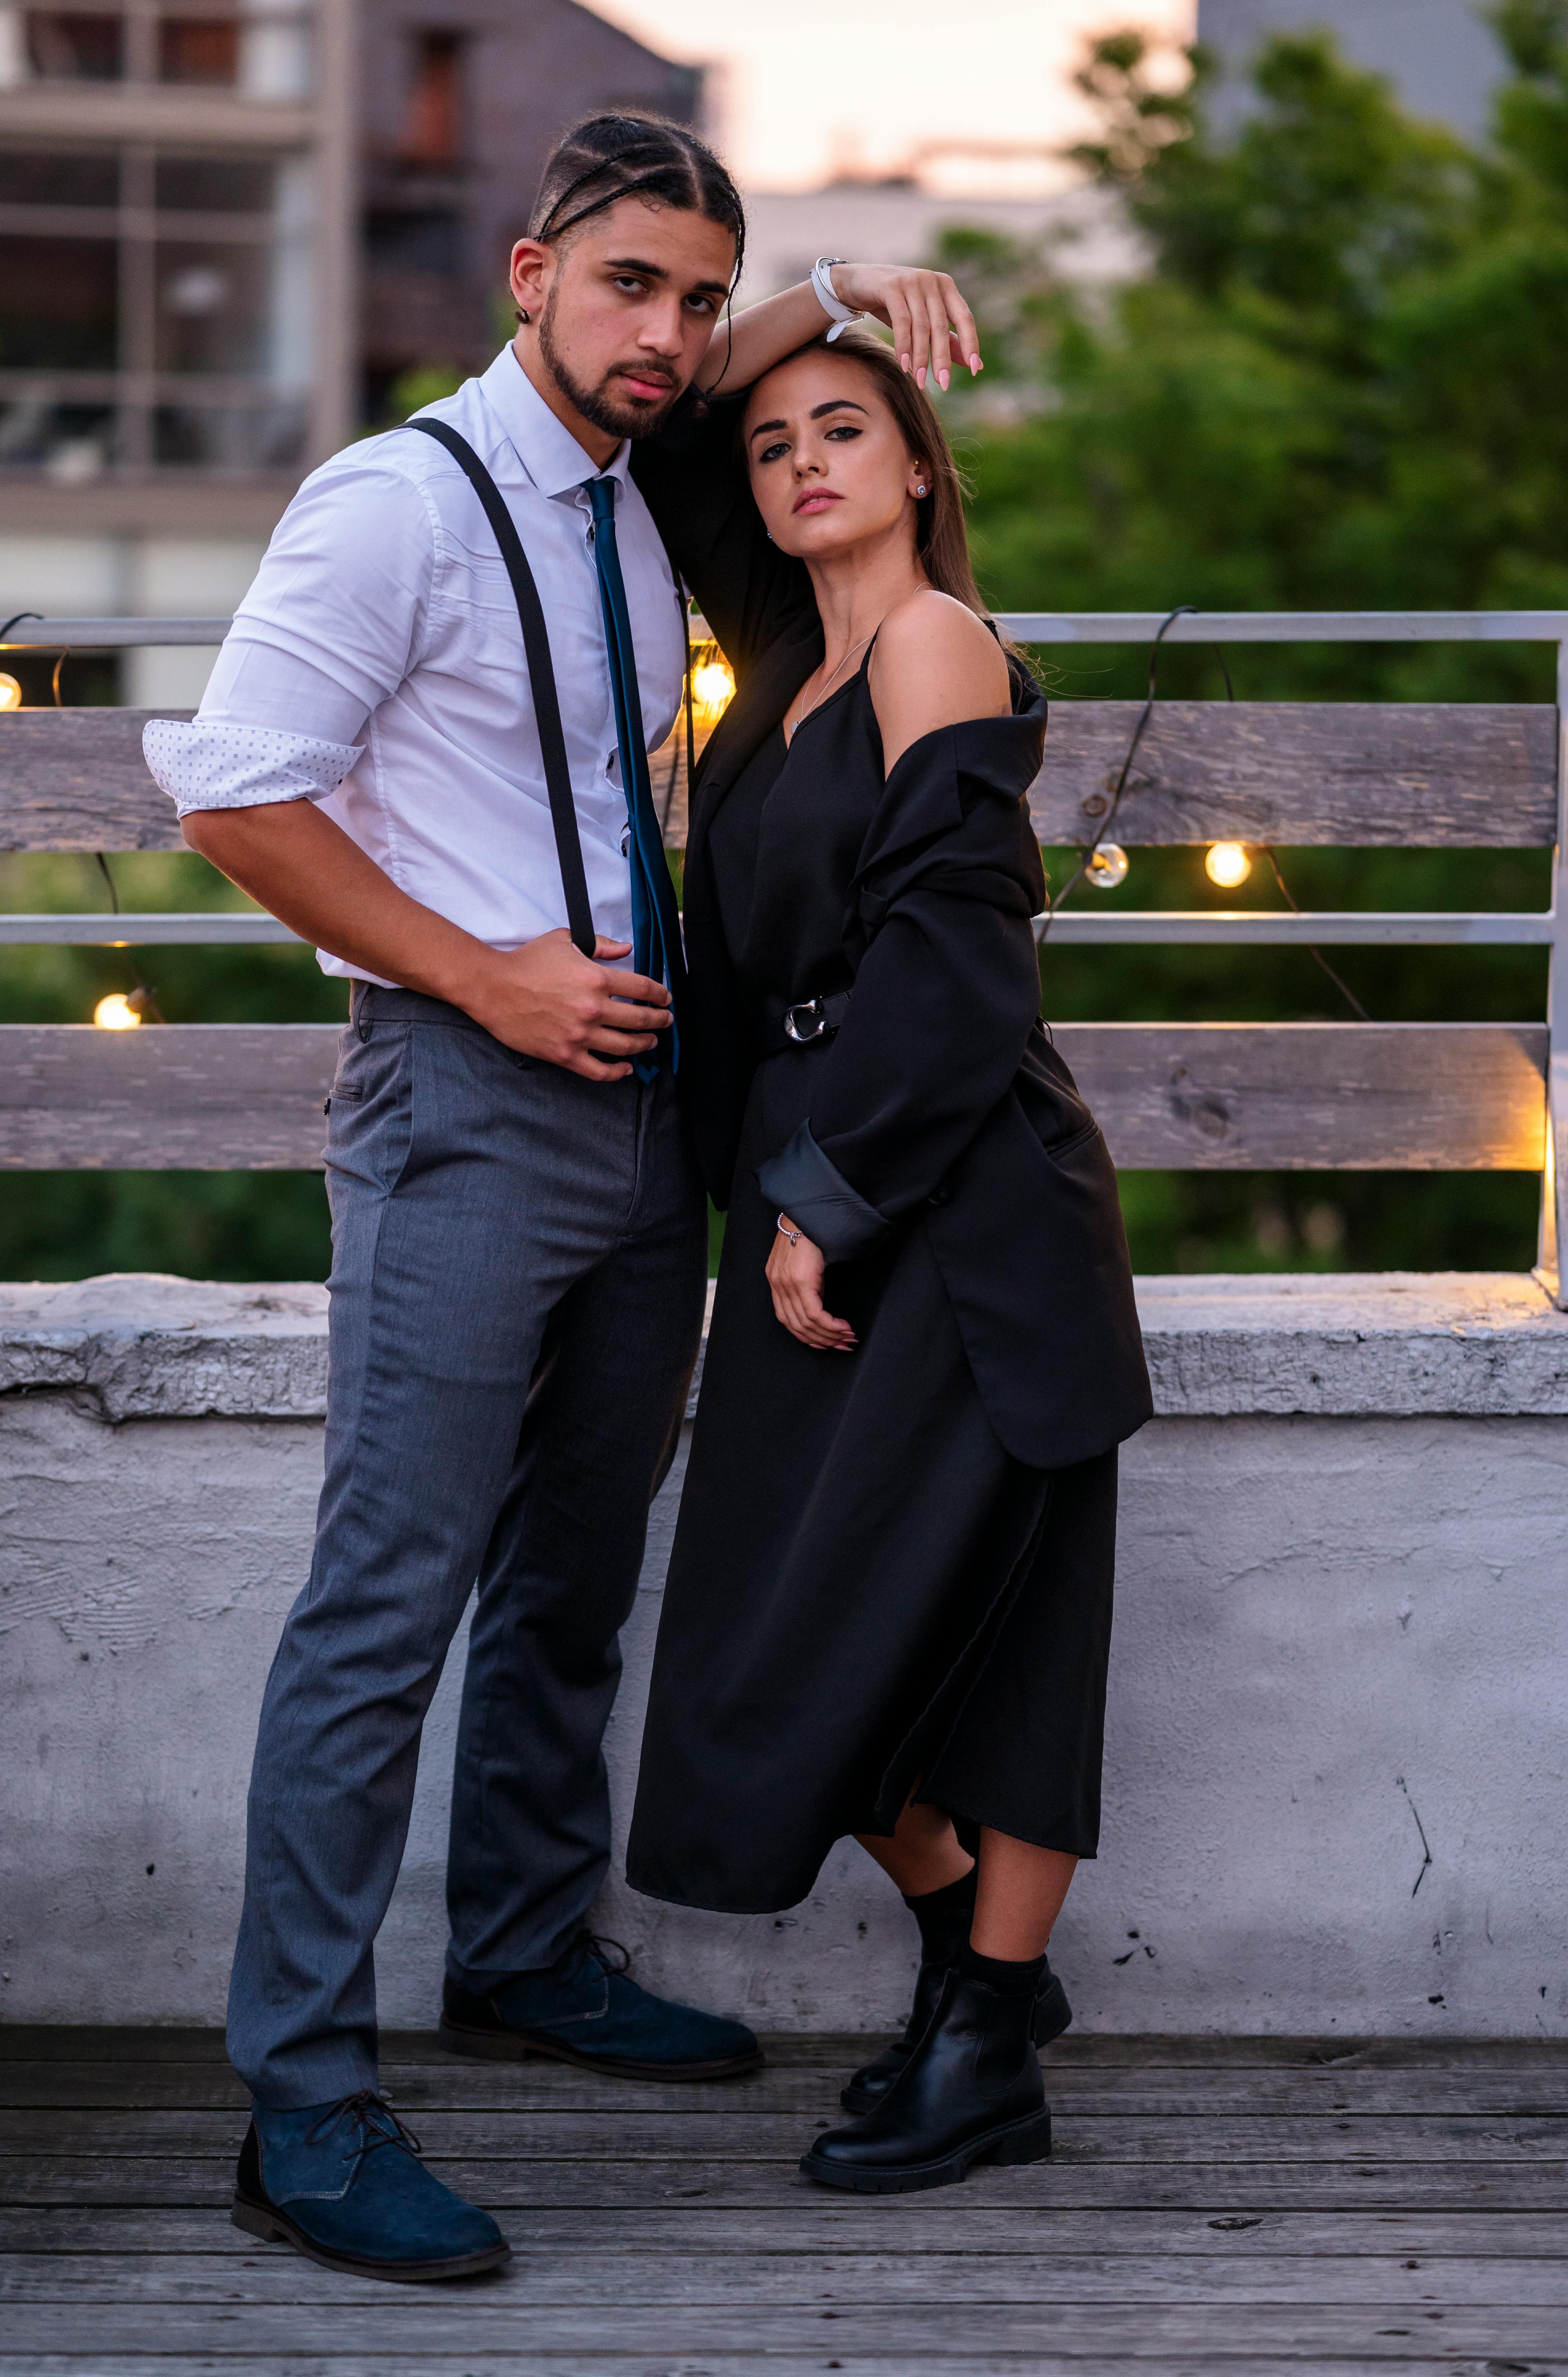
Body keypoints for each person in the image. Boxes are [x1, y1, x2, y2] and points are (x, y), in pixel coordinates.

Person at [142, 108, 983, 2283]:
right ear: (527, 270)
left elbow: (768, 397)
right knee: (385, 1599)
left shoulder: (637, 500)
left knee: (576, 1576)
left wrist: (816, 307)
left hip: (642, 1115)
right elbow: (234, 791)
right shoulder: (393, 503)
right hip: (460, 1097)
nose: (669, 333)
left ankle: (521, 1944)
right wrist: (483, 979)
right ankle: (303, 2109)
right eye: (629, 284)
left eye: (698, 299)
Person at [623, 324, 1155, 2194]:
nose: (798, 464)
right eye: (777, 450)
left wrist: (830, 1197)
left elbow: (959, 962)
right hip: (811, 1180)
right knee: (787, 1644)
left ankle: (988, 2037)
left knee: (996, 1635)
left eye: (846, 430)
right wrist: (827, 290)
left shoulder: (933, 643)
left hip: (953, 1195)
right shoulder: (778, 670)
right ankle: (975, 1980)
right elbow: (672, 424)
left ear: (923, 465)